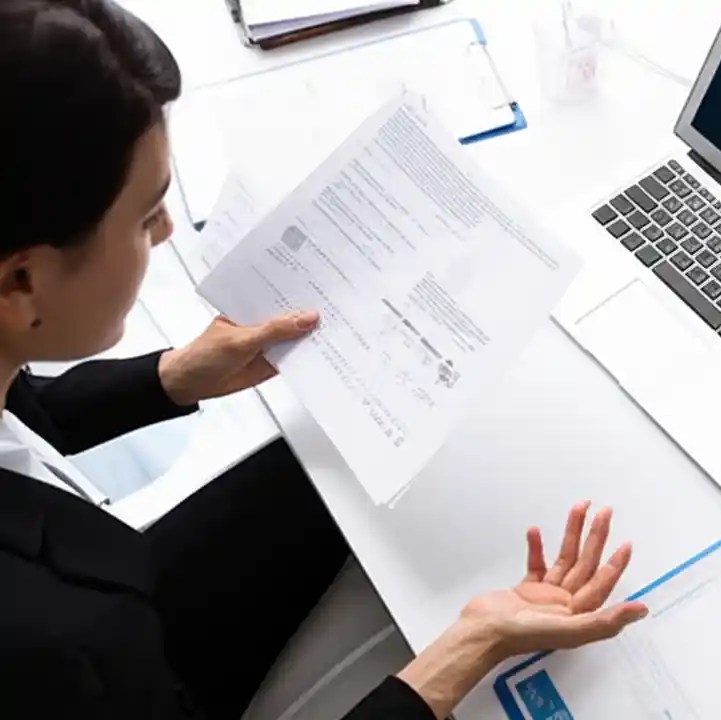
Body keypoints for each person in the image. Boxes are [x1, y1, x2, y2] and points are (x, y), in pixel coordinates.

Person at [0, 1, 648, 718]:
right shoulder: (53, 646)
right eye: (146, 212)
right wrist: (466, 647)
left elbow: (20, 412)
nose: (166, 230)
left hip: (88, 581)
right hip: (109, 666)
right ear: (21, 281)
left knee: (335, 465)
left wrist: (172, 375)